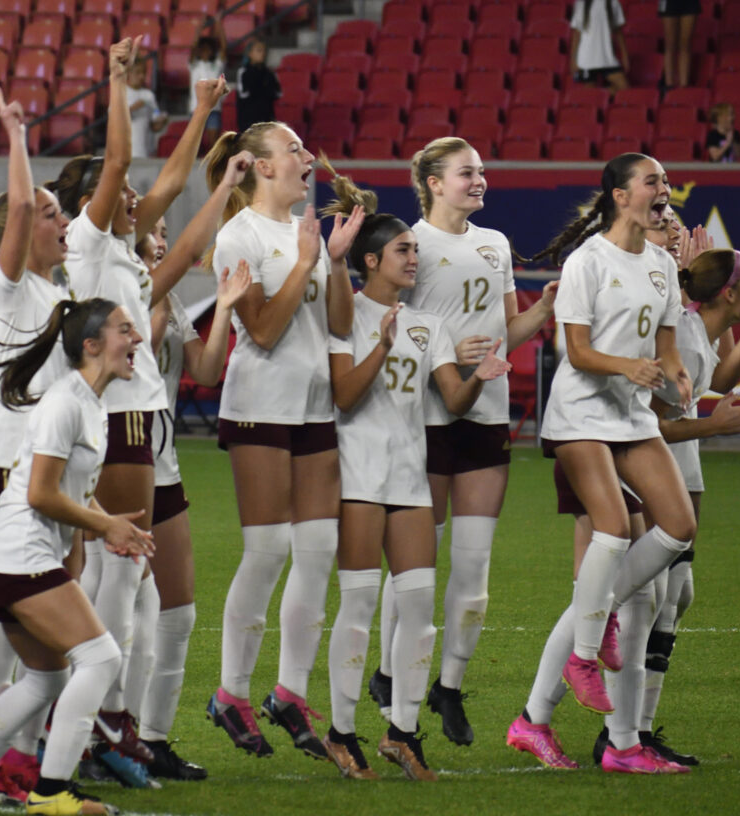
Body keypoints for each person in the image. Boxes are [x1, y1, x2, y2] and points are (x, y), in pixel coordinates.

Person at [54, 35, 229, 769]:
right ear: (89, 203)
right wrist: (118, 84)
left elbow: (175, 211)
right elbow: (124, 169)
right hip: (118, 421)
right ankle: (99, 725)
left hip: (150, 424)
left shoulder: (122, 252)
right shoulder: (88, 241)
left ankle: (140, 735)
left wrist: (202, 115)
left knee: (166, 599)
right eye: (120, 193)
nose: (135, 198)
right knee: (120, 580)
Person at [319, 163, 510, 783]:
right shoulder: (345, 316)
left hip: (409, 479)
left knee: (420, 611)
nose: (415, 259)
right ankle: (340, 732)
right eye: (403, 250)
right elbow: (345, 396)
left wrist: (479, 377)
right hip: (357, 478)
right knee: (357, 608)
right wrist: (382, 344)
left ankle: (402, 733)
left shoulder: (429, 325)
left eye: (414, 250)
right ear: (372, 261)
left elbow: (451, 401)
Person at [507, 153, 698, 775]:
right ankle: (582, 653)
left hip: (631, 416)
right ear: (620, 195)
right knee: (612, 531)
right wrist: (629, 367)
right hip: (581, 414)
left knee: (679, 526)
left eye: (665, 181)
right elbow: (579, 352)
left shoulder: (663, 265)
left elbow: (666, 346)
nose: (664, 190)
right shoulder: (588, 261)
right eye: (652, 181)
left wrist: (677, 374)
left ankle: (596, 612)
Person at [368, 137, 557, 748]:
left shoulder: (494, 243)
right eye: (466, 172)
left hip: (485, 414)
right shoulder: (411, 245)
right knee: (416, 562)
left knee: (474, 568)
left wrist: (543, 311)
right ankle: (388, 672)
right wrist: (447, 355)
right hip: (422, 416)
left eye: (481, 171)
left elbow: (505, 330)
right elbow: (387, 328)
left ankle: (448, 687)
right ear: (432, 183)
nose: (479, 181)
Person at [0, 298, 153, 815]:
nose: (138, 339)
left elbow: (69, 489)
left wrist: (109, 525)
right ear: (91, 345)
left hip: (12, 555)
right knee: (101, 658)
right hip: (20, 553)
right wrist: (105, 526)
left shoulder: (89, 402)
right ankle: (51, 792)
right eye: (125, 330)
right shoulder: (66, 403)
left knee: (48, 677)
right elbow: (40, 493)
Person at [591, 250, 740, 768]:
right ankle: (618, 728)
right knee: (644, 600)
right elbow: (649, 425)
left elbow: (723, 377)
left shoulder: (696, 333)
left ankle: (636, 730)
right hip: (656, 473)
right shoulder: (683, 336)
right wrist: (714, 425)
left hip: (681, 469)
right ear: (727, 293)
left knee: (673, 596)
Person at [204, 121, 362, 760]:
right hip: (260, 408)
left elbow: (341, 324)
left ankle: (290, 693)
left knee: (318, 552)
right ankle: (231, 693)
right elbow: (264, 330)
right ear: (262, 167)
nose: (307, 158)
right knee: (267, 551)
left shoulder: (308, 234)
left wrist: (336, 261)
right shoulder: (237, 236)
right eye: (293, 149)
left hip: (314, 408)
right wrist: (304, 262)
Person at [0, 89, 72, 801]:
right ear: (23, 229)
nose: (60, 222)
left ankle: (19, 755)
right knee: (7, 622)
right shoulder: (7, 290)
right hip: (4, 471)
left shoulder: (63, 294)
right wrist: (15, 134)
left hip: (47, 475)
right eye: (50, 215)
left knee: (40, 631)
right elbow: (25, 202)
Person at [131, 220, 251, 781]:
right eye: (153, 232)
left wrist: (222, 308)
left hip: (162, 469)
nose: (162, 240)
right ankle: (98, 738)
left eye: (164, 232)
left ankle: (152, 739)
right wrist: (157, 297)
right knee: (117, 614)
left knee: (177, 612)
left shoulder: (170, 298)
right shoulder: (108, 291)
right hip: (114, 470)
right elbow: (138, 352)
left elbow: (204, 371)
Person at [570, 0, 630, 95]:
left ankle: (599, 95)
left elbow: (618, 31)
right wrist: (573, 59)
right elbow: (577, 34)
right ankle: (597, 96)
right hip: (586, 60)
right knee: (589, 95)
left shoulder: (613, 3)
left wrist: (625, 56)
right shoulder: (581, 3)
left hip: (607, 58)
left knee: (624, 89)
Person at [189, 20, 227, 143]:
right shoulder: (194, 65)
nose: (205, 51)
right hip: (196, 109)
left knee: (213, 144)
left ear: (212, 51)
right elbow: (192, 48)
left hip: (213, 109)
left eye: (208, 49)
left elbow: (224, 48)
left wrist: (219, 25)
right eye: (203, 49)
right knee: (192, 144)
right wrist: (197, 32)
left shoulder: (216, 65)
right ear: (199, 51)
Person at [235, 39, 281, 132]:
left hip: (267, 120)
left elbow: (278, 93)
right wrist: (261, 87)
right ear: (250, 54)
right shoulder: (244, 72)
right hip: (248, 122)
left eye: (264, 50)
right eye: (259, 50)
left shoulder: (270, 73)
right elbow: (243, 94)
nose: (263, 53)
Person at [126, 58, 168, 159]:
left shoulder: (149, 95)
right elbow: (114, 120)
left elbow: (154, 126)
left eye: (144, 73)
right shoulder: (120, 93)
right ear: (128, 74)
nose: (141, 76)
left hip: (145, 152)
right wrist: (133, 108)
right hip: (125, 152)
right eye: (137, 73)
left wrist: (162, 121)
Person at [659, 0, 700, 89]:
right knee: (670, 45)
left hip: (689, 2)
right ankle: (669, 86)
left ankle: (684, 86)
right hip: (668, 3)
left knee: (685, 44)